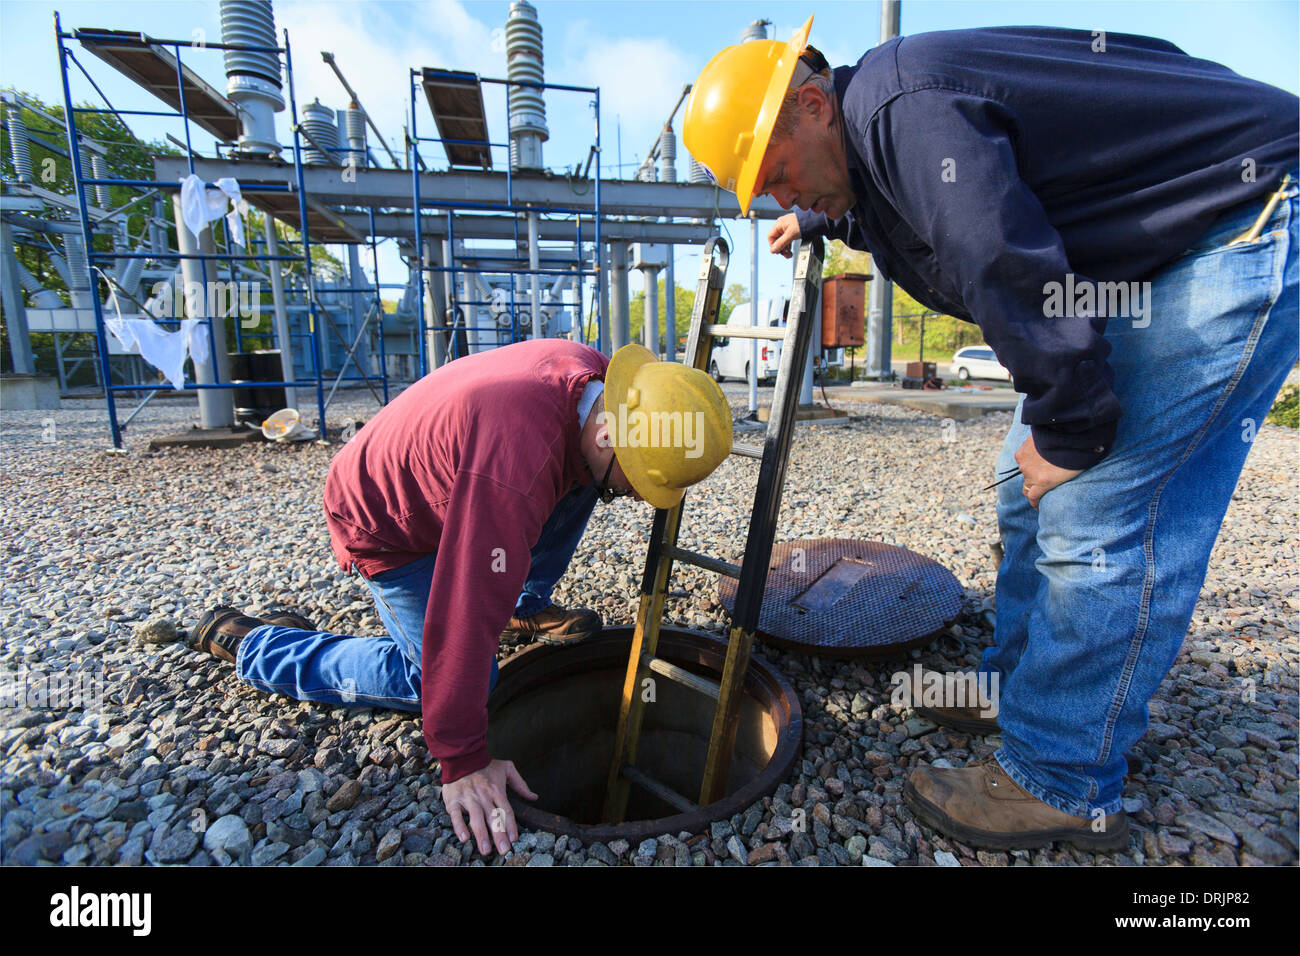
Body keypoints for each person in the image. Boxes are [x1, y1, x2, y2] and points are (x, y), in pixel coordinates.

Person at [684, 17, 1298, 850]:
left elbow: (1001, 257)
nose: (782, 200)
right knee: (1023, 487)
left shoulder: (909, 108)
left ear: (812, 103)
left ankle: (1061, 776)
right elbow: (896, 209)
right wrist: (825, 221)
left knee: (1095, 510)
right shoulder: (876, 135)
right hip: (1150, 256)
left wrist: (1074, 434)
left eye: (780, 176)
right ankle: (1018, 687)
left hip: (1241, 219)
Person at [193, 339, 733, 857]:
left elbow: (544, 483)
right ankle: (258, 645)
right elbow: (464, 613)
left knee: (585, 482)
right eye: (636, 482)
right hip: (384, 519)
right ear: (614, 433)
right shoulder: (513, 477)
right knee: (431, 680)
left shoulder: (593, 385)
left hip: (469, 476)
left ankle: (519, 603)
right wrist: (463, 757)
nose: (640, 497)